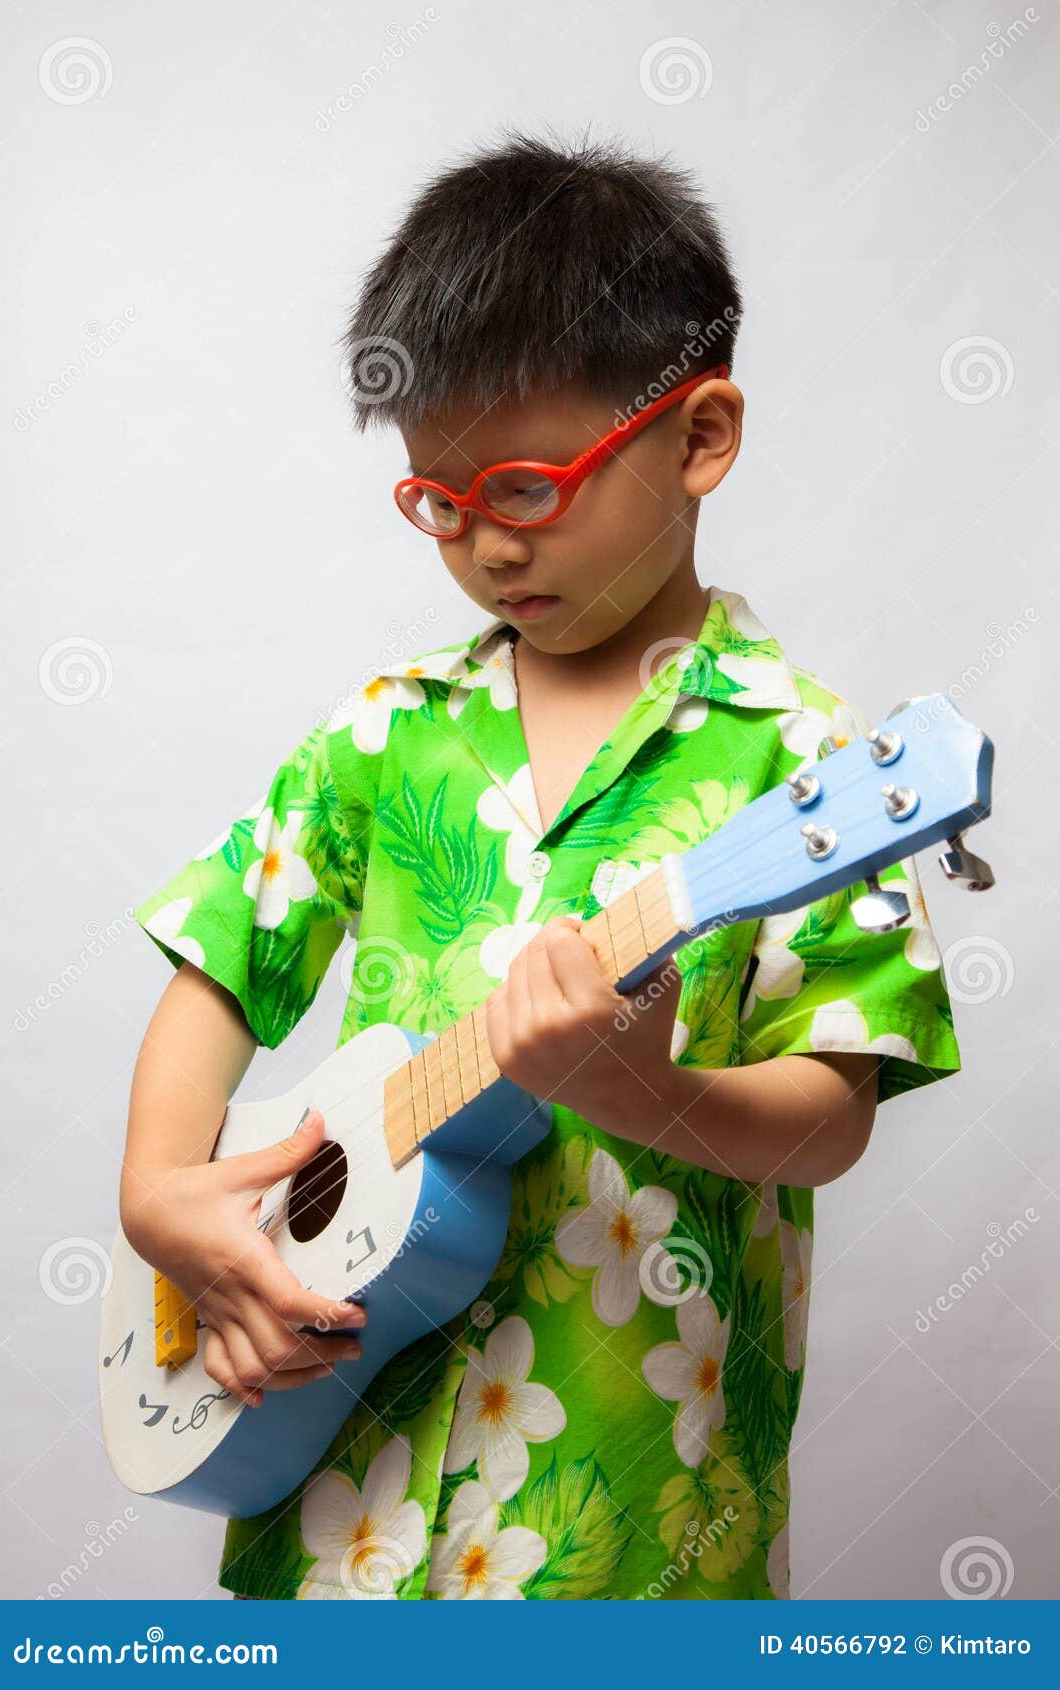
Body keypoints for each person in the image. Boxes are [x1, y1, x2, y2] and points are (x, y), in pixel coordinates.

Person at [122, 130, 960, 1601]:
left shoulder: (807, 769)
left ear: (697, 437)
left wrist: (641, 1088)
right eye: (436, 502)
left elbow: (830, 1116)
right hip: (338, 1508)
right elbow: (217, 960)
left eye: (520, 486)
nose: (481, 548)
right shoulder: (383, 737)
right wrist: (159, 1196)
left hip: (631, 1521)